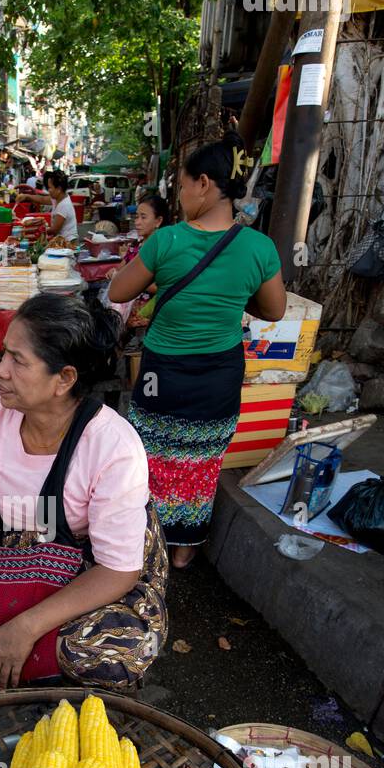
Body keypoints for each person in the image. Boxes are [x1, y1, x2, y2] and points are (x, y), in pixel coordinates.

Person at [0, 292, 168, 691]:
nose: (1, 371)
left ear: (64, 379)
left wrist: (25, 627)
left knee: (120, 646)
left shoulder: (113, 447)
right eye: (4, 355)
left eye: (17, 361)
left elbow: (117, 571)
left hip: (88, 564)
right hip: (11, 541)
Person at [109, 134, 286, 570]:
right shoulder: (259, 248)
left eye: (183, 186)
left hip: (163, 371)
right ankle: (185, 547)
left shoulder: (166, 241)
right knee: (202, 460)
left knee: (152, 454)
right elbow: (274, 309)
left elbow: (117, 290)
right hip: (219, 371)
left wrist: (161, 280)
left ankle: (145, 537)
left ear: (204, 183)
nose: (182, 195)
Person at [124, 195, 171, 332]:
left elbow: (165, 286)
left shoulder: (163, 249)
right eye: (136, 217)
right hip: (129, 306)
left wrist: (134, 281)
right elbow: (121, 268)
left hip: (147, 313)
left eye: (143, 217)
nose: (137, 222)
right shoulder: (135, 245)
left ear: (158, 221)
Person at [24, 169, 79, 242]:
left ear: (59, 189)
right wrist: (26, 196)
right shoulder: (57, 198)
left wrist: (35, 231)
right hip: (61, 240)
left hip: (69, 243)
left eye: (50, 187)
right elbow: (42, 199)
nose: (48, 190)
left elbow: (54, 230)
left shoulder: (64, 205)